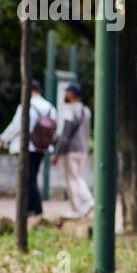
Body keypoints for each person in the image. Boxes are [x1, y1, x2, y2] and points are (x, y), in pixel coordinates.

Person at [0, 78, 56, 217]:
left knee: (27, 178)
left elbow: (17, 125)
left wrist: (2, 139)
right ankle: (32, 209)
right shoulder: (50, 107)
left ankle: (34, 209)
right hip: (41, 147)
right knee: (32, 177)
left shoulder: (26, 105)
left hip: (27, 146)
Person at [52, 83, 93, 219]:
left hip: (71, 150)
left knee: (72, 179)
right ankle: (81, 207)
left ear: (72, 94)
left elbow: (65, 135)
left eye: (67, 92)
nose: (65, 94)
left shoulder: (69, 110)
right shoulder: (87, 111)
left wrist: (57, 154)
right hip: (83, 149)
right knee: (77, 177)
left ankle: (83, 204)